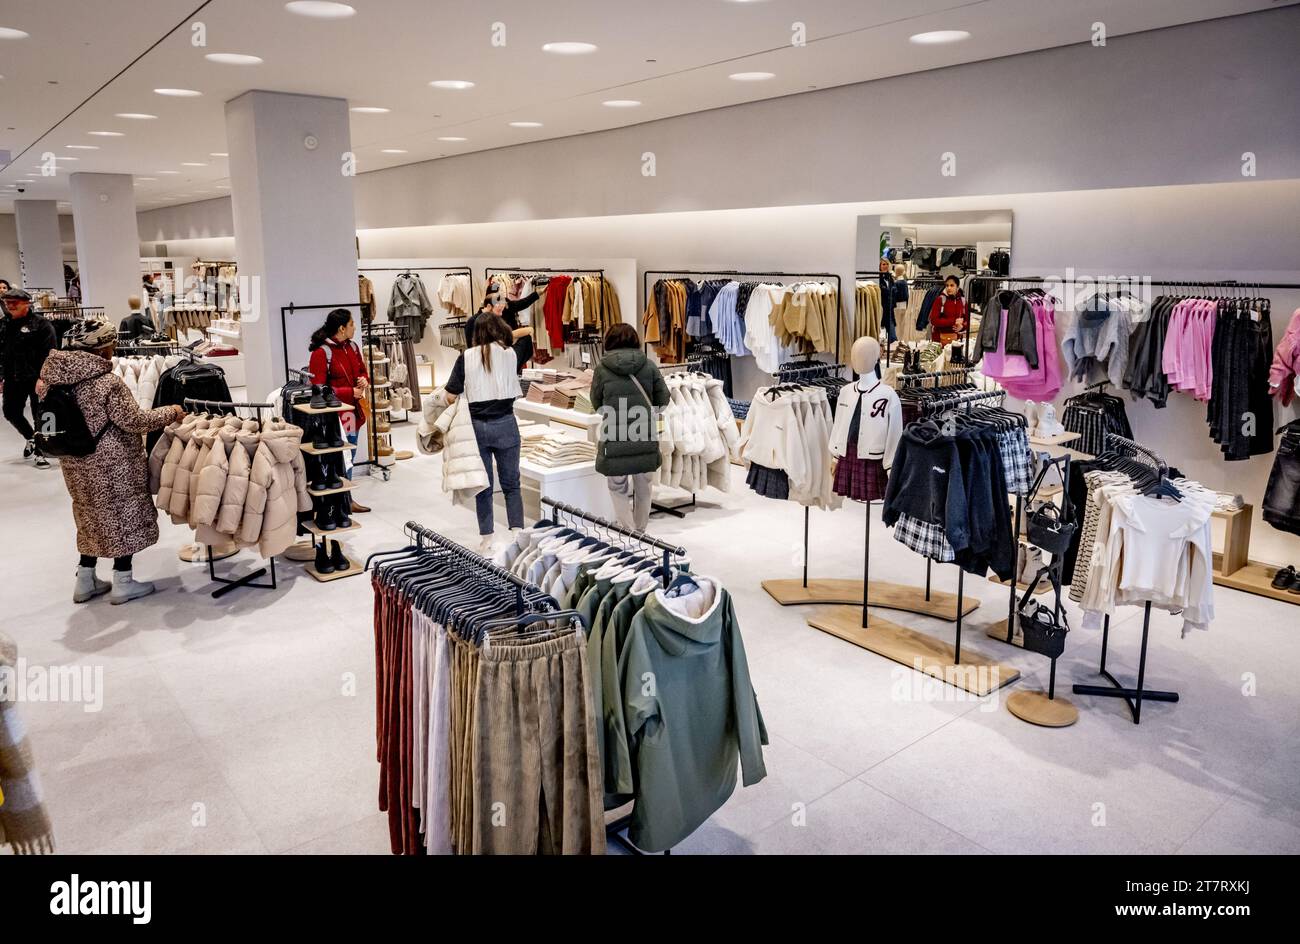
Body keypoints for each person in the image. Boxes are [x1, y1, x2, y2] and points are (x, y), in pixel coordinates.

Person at [35, 322, 185, 604]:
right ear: (102, 347)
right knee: (121, 517)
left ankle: (85, 579)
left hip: (74, 460)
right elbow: (135, 421)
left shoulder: (51, 379)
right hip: (113, 463)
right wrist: (171, 412)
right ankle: (123, 581)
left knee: (89, 515)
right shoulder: (106, 383)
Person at [443, 313, 524, 551]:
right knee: (512, 484)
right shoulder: (511, 354)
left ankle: (487, 537)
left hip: (477, 426)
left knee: (483, 484)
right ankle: (517, 533)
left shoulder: (465, 357)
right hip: (506, 423)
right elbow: (519, 337)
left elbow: (449, 395)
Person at [590, 322, 669, 531]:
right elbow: (664, 399)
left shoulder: (601, 369)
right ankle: (641, 532)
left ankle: (627, 532)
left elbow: (596, 403)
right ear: (635, 340)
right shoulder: (649, 365)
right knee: (644, 486)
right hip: (644, 432)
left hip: (615, 434)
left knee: (617, 486)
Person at [308, 308, 370, 510]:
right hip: (335, 415)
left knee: (349, 455)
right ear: (342, 328)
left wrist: (364, 380)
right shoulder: (321, 353)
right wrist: (348, 392)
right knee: (339, 456)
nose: (355, 328)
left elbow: (362, 371)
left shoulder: (352, 347)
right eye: (352, 324)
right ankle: (340, 501)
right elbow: (318, 388)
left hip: (354, 412)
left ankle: (346, 500)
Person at [2, 287, 57, 469]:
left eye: (14, 302)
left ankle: (41, 452)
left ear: (26, 304)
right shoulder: (3, 325)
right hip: (13, 378)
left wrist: (44, 378)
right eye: (6, 302)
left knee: (39, 415)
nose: (9, 306)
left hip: (35, 378)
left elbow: (51, 354)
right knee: (10, 411)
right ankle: (31, 438)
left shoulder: (42, 325)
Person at [466, 286, 537, 366]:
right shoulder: (475, 321)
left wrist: (537, 294)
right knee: (525, 340)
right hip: (485, 360)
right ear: (489, 307)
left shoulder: (494, 318)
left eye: (502, 309)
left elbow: (520, 304)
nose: (501, 312)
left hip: (496, 357)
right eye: (499, 309)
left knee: (526, 340)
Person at [928, 275, 968, 344]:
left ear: (957, 287)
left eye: (952, 285)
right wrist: (953, 321)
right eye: (947, 285)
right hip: (939, 340)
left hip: (956, 340)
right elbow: (934, 320)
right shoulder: (940, 300)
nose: (949, 288)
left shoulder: (963, 301)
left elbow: (967, 320)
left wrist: (962, 326)